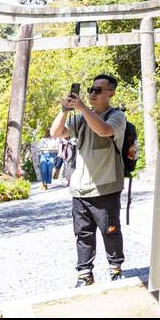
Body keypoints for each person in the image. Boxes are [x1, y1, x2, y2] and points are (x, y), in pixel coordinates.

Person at [50, 74, 127, 287]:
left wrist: (83, 107)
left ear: (111, 93)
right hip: (79, 189)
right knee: (82, 235)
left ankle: (115, 269)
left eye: (99, 90)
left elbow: (104, 130)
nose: (93, 93)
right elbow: (55, 133)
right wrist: (65, 110)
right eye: (91, 89)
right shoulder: (81, 119)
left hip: (106, 187)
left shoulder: (117, 116)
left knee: (110, 231)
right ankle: (85, 274)